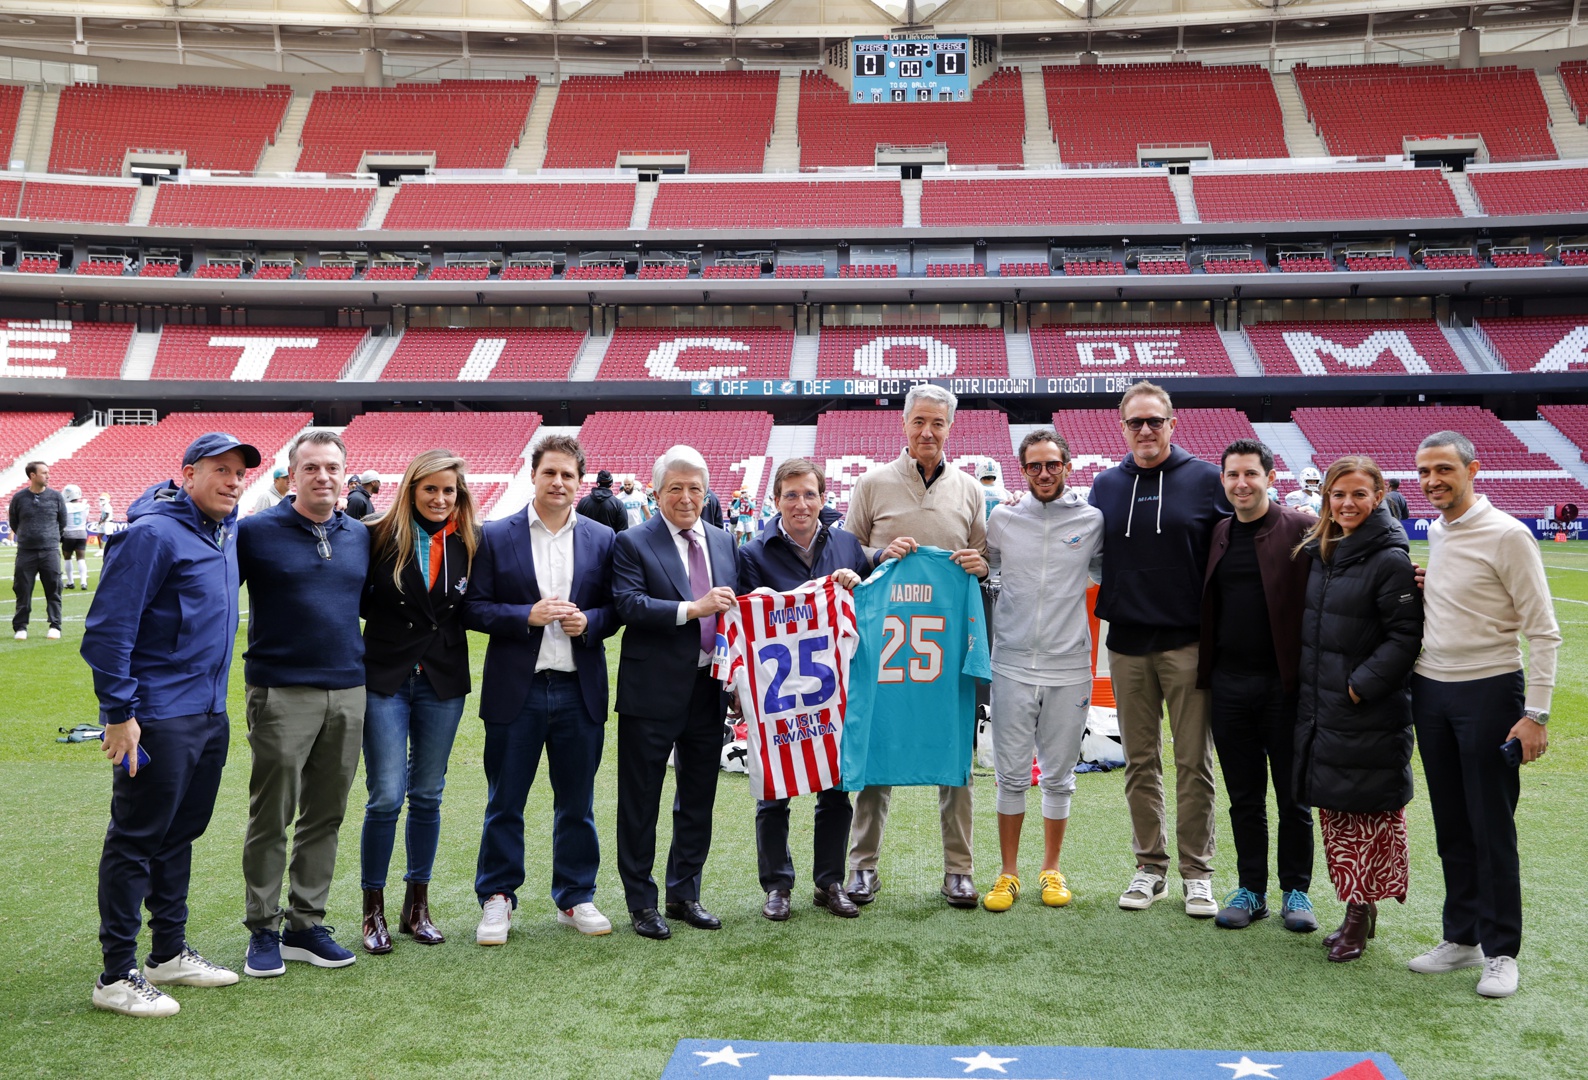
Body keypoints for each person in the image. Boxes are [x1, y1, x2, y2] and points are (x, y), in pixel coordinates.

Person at [82, 433, 258, 1017]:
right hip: (157, 715)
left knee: (179, 835)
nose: (233, 481)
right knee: (135, 840)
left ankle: (167, 953)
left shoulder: (225, 532)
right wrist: (121, 714)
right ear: (187, 473)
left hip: (209, 714)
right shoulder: (152, 534)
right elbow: (108, 632)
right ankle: (115, 974)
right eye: (221, 470)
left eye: (240, 472)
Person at [1409, 431, 1560, 998]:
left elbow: (1542, 630)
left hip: (1489, 692)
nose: (1432, 481)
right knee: (1452, 822)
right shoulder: (1441, 531)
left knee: (1491, 825)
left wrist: (1536, 714)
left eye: (1444, 469)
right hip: (1432, 691)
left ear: (1474, 469)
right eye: (1424, 472)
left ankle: (1502, 951)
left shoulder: (1509, 534)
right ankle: (1462, 937)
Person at [463, 435, 619, 944]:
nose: (558, 482)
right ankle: (498, 896)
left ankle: (575, 897)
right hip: (518, 689)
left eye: (568, 475)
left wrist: (589, 623)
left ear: (580, 481)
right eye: (550, 473)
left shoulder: (602, 537)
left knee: (577, 802)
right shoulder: (495, 535)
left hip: (579, 688)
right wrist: (523, 616)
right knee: (505, 800)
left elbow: (616, 609)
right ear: (533, 474)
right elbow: (474, 608)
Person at [841, 383, 988, 909]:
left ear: (951, 428)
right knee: (876, 748)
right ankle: (862, 867)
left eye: (938, 423)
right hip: (885, 643)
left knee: (955, 756)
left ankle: (959, 869)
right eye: (919, 421)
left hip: (943, 648)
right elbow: (847, 550)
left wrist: (981, 565)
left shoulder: (970, 489)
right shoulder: (873, 483)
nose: (928, 432)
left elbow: (983, 557)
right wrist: (880, 555)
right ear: (903, 424)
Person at [1088, 380, 1228, 918]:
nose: (1145, 431)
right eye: (1134, 422)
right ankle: (1151, 867)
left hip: (1188, 643)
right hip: (1126, 645)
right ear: (1122, 427)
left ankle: (1197, 872)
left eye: (1154, 421)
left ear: (1173, 422)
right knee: (1140, 762)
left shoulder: (1207, 480)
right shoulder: (1105, 485)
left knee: (1194, 762)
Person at [237, 430, 371, 978]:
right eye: (311, 467)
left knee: (326, 813)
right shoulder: (253, 533)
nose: (323, 476)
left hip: (348, 689)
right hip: (281, 691)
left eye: (332, 468)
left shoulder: (359, 535)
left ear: (346, 475)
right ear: (292, 475)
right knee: (272, 813)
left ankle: (305, 924)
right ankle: (263, 929)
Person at [1292, 456, 1423, 964]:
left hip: (1364, 711)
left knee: (1365, 817)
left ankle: (1356, 913)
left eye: (1358, 495)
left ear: (1379, 496)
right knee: (1339, 816)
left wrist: (1359, 688)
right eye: (1337, 494)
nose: (1347, 504)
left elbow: (1405, 634)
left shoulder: (1389, 556)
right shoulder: (1327, 549)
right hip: (1324, 708)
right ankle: (1359, 910)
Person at [736, 459, 874, 922]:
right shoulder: (753, 554)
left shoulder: (848, 545)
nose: (801, 504)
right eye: (791, 495)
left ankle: (829, 881)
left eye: (810, 494)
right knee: (773, 791)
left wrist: (856, 581)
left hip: (831, 688)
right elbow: (746, 623)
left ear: (823, 498)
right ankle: (777, 885)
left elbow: (868, 599)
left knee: (835, 789)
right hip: (777, 693)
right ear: (775, 500)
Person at [611, 445, 739, 940]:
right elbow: (628, 605)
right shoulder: (633, 542)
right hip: (652, 691)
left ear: (706, 493)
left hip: (709, 689)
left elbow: (744, 608)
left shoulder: (725, 542)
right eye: (676, 488)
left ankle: (685, 893)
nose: (686, 498)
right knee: (640, 799)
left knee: (698, 797)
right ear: (657, 492)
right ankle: (641, 902)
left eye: (695, 489)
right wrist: (694, 608)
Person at [358, 450, 480, 954]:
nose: (440, 498)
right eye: (430, 488)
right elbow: (355, 600)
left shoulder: (471, 541)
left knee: (428, 793)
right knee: (386, 795)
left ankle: (417, 907)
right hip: (385, 677)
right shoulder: (375, 534)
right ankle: (372, 913)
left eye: (448, 490)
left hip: (442, 680)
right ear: (411, 490)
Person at [980, 430, 1102, 913]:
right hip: (1009, 661)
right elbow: (985, 570)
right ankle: (1007, 872)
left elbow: (1104, 571)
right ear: (1022, 470)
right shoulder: (1003, 519)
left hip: (1070, 663)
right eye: (1034, 466)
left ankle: (1051, 868)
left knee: (1059, 775)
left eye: (1052, 464)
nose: (1044, 473)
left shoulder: (1092, 520)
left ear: (1067, 466)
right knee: (1010, 775)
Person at [1198, 440, 1317, 932]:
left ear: (1270, 477)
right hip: (1229, 686)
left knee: (1294, 797)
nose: (1241, 484)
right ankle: (1251, 889)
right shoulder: (1220, 532)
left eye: (1250, 474)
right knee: (1244, 796)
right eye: (1232, 476)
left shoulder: (1304, 529)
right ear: (1223, 481)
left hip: (1286, 689)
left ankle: (1297, 892)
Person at [9, 461, 67, 640]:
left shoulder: (56, 497)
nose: (48, 476)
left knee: (54, 588)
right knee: (23, 589)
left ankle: (55, 625)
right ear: (32, 476)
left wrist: (50, 538)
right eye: (44, 473)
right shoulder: (19, 498)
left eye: (48, 472)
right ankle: (21, 627)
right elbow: (14, 522)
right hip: (26, 551)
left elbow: (62, 522)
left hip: (49, 550)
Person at [576, 469, 628, 533]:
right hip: (610, 542)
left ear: (597, 484)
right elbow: (623, 532)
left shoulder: (583, 502)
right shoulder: (618, 504)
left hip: (587, 542)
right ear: (611, 484)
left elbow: (576, 527)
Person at [61, 483, 92, 590]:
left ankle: (70, 581)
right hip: (82, 533)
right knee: (81, 559)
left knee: (67, 558)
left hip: (69, 533)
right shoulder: (84, 505)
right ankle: (84, 582)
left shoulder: (65, 506)